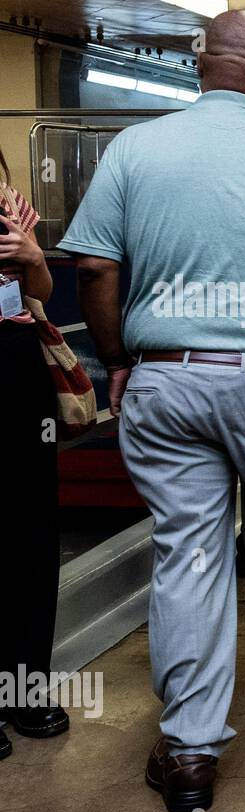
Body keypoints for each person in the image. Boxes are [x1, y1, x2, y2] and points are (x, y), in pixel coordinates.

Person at [59, 9, 245, 812]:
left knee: (189, 549)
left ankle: (192, 750)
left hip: (169, 381)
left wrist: (121, 361)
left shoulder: (134, 150)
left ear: (199, 66)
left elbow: (94, 269)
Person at [0, 147, 66, 757]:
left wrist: (33, 257)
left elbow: (38, 295)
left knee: (32, 534)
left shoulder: (11, 207)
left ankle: (27, 686)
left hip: (18, 376)